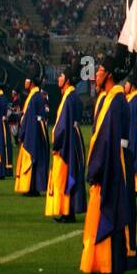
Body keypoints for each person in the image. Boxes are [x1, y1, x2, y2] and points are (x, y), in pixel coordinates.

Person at [80, 44, 137, 274]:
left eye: (100, 70)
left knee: (112, 213)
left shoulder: (117, 102)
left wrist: (96, 168)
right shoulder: (108, 99)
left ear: (109, 75)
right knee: (101, 214)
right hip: (109, 164)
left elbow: (108, 140)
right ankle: (100, 263)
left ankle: (111, 264)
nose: (96, 74)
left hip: (113, 166)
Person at [45, 61, 86, 223]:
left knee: (63, 176)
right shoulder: (74, 97)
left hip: (66, 143)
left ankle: (67, 211)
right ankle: (69, 211)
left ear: (67, 80)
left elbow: (62, 126)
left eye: (61, 76)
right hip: (74, 139)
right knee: (72, 174)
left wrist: (56, 145)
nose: (59, 79)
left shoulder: (68, 98)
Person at [13, 64, 49, 197]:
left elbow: (29, 118)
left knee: (32, 159)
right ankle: (33, 187)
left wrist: (22, 134)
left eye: (27, 80)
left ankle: (31, 187)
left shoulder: (34, 98)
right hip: (36, 132)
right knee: (36, 160)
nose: (25, 82)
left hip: (32, 133)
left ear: (32, 82)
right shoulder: (36, 96)